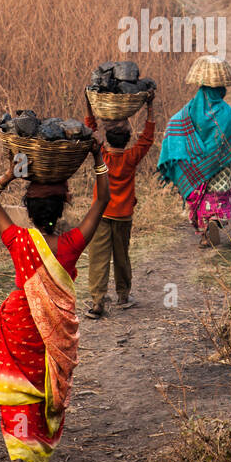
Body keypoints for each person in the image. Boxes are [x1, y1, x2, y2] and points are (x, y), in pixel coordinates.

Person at [0, 139, 110, 462]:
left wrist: (8, 175)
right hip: (51, 329)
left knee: (18, 391)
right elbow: (103, 201)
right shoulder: (70, 244)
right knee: (46, 391)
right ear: (63, 205)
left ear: (29, 208)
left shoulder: (18, 240)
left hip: (18, 321)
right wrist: (98, 158)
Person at [157, 56, 231, 247]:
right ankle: (215, 221)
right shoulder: (227, 113)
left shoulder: (189, 110)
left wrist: (174, 151)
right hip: (220, 166)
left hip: (196, 166)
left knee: (201, 199)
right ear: (221, 90)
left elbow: (173, 126)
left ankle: (204, 234)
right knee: (219, 195)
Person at [82, 88, 156, 318]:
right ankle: (123, 296)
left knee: (98, 257)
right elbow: (148, 137)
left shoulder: (100, 155)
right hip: (123, 216)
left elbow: (89, 130)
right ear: (127, 139)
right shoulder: (131, 158)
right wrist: (149, 105)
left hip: (100, 214)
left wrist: (89, 103)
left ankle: (97, 302)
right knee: (121, 256)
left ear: (107, 137)